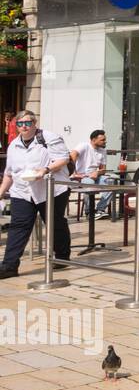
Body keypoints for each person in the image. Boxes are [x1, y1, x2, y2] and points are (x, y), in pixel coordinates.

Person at [0, 111, 73, 277]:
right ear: (16, 126)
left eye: (27, 122)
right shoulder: (13, 145)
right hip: (22, 192)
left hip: (51, 190)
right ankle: (9, 266)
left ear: (34, 123)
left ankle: (62, 257)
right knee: (18, 227)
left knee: (55, 223)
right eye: (20, 123)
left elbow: (64, 159)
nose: (24, 126)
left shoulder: (48, 138)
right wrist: (1, 192)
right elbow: (9, 173)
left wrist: (46, 169)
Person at [71, 129, 111, 217]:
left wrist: (97, 172)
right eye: (102, 140)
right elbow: (72, 155)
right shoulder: (84, 146)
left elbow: (103, 169)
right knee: (89, 183)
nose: (105, 141)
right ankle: (89, 211)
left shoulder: (103, 151)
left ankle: (100, 209)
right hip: (82, 177)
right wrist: (74, 172)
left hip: (95, 175)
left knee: (111, 182)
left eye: (105, 139)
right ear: (93, 140)